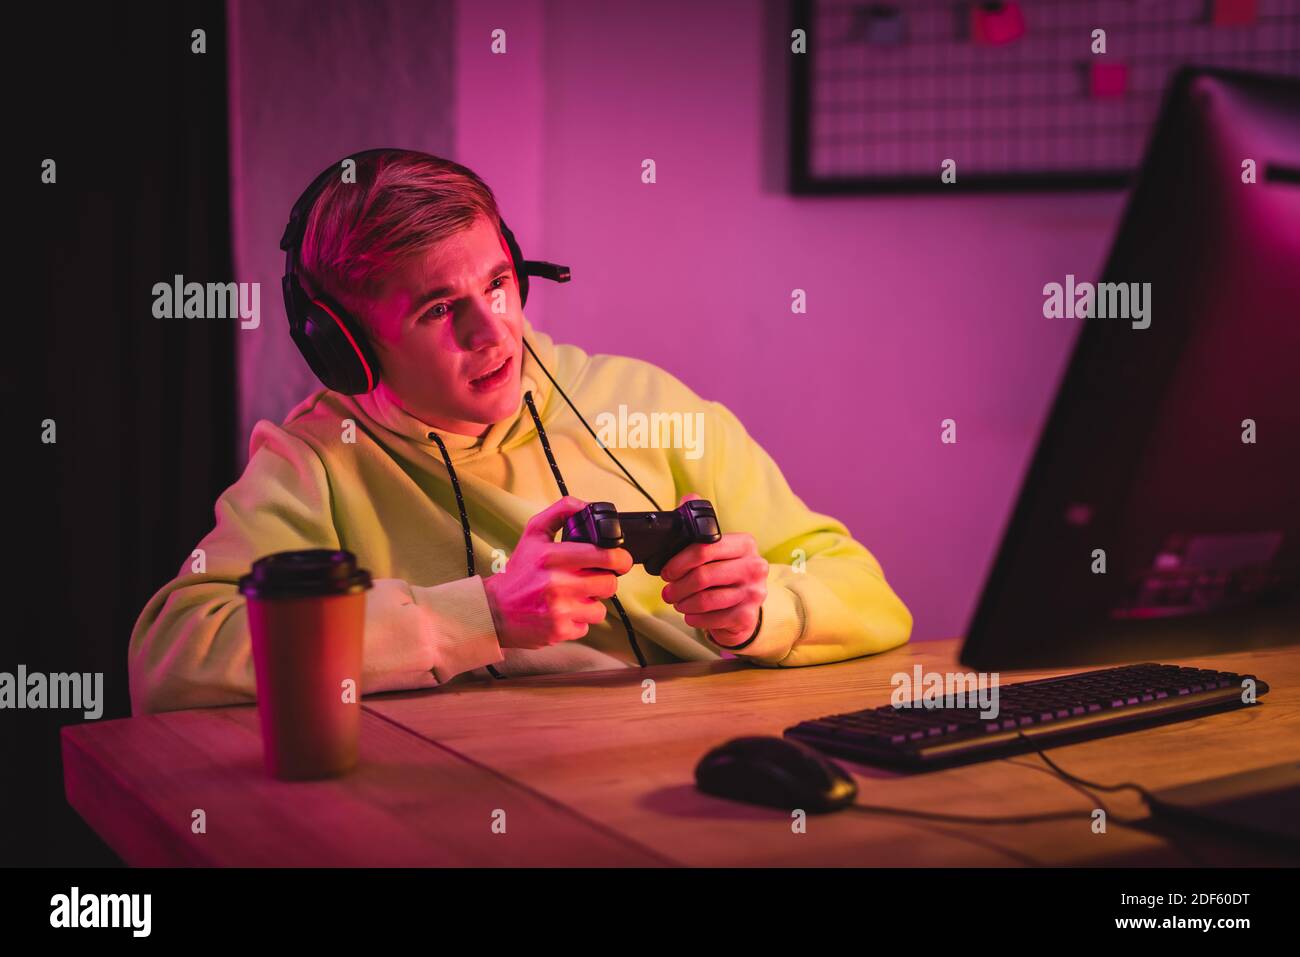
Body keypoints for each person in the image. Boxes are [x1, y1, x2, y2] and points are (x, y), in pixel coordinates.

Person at [128, 149, 913, 715]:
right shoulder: (317, 460)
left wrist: (761, 610)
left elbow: (868, 592)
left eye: (499, 284)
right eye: (439, 310)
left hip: (699, 766)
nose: (494, 334)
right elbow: (173, 660)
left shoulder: (641, 400)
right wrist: (483, 616)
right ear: (350, 346)